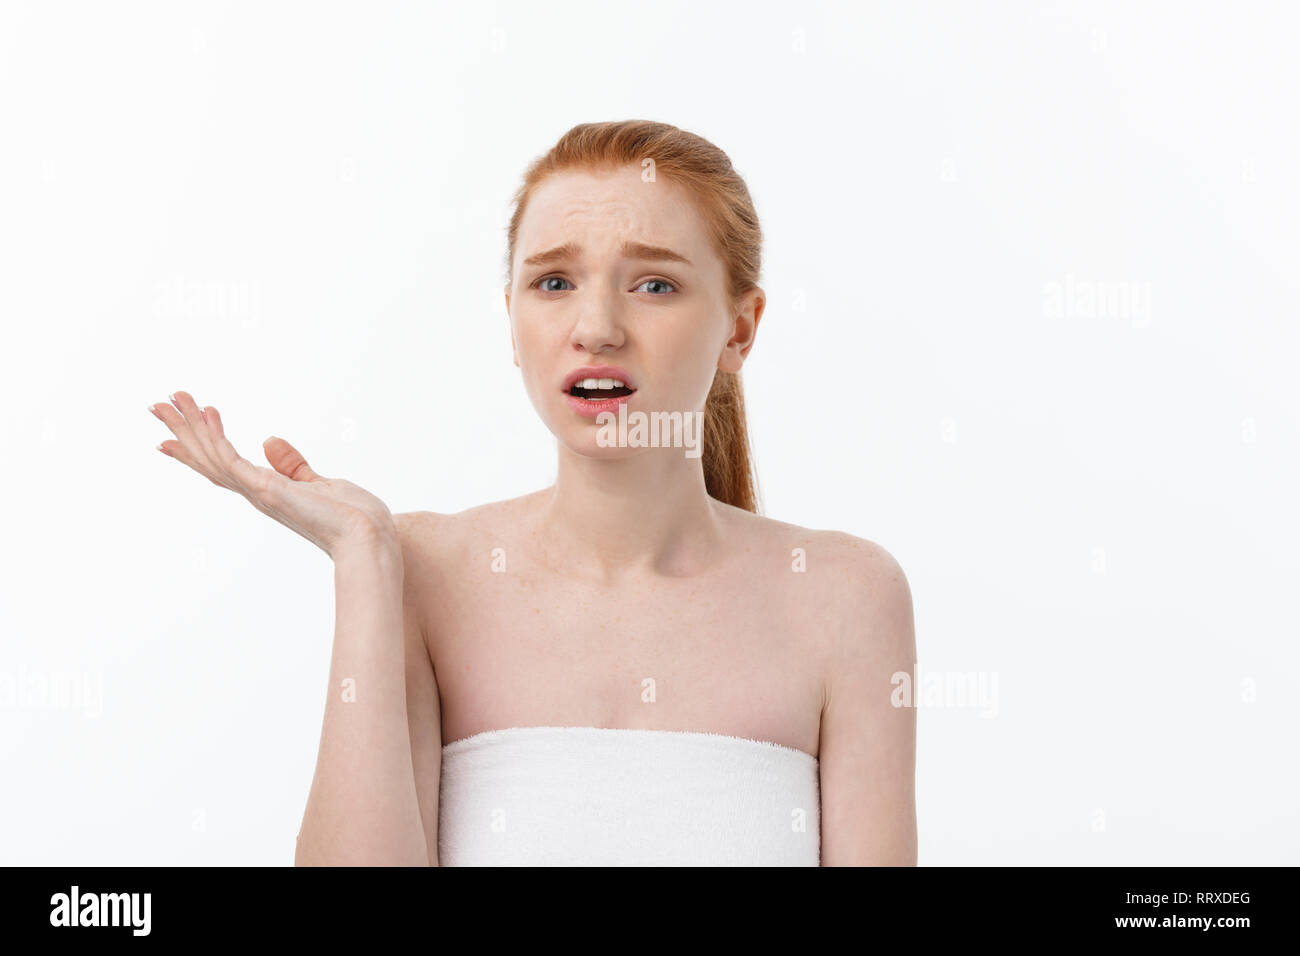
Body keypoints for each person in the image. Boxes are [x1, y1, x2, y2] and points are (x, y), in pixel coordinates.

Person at [148, 120, 917, 866]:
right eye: (554, 282)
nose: (597, 327)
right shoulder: (418, 573)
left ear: (739, 331)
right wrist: (363, 557)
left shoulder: (846, 597)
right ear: (513, 326)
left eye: (654, 284)